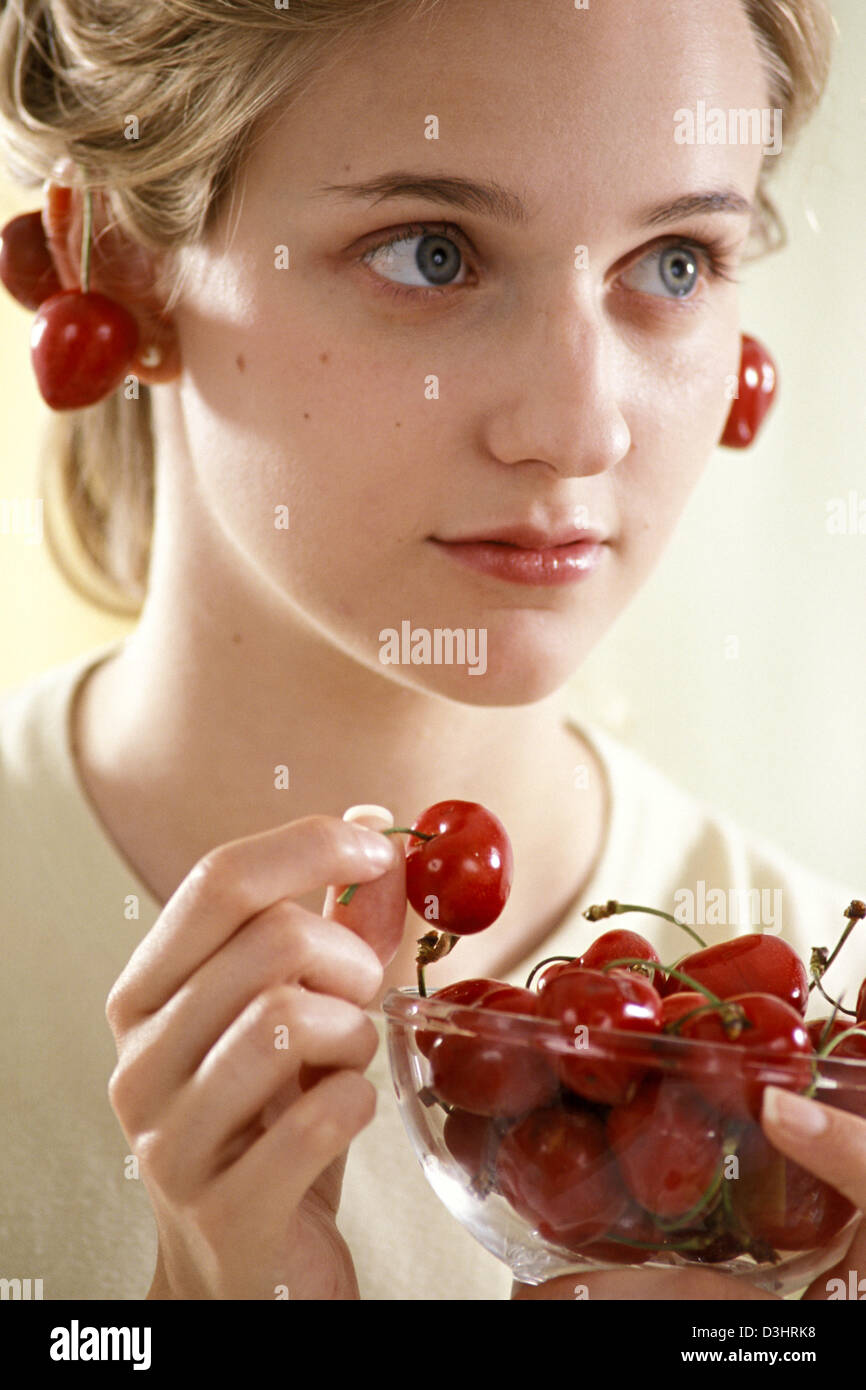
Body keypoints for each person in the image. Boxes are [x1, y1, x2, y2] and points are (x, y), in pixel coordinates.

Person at [0, 0, 863, 1302]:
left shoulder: (822, 1061)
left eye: (674, 261)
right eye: (431, 253)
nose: (577, 428)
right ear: (118, 258)